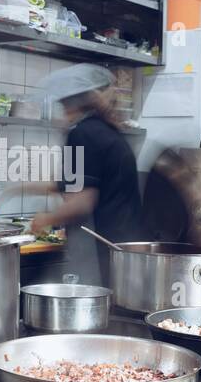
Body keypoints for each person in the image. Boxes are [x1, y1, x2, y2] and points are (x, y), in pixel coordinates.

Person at [25, 64, 143, 284]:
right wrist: (23, 189)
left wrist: (44, 219)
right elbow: (80, 183)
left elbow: (81, 204)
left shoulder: (81, 134)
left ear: (71, 106)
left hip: (98, 249)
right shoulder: (105, 130)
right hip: (122, 246)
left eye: (62, 106)